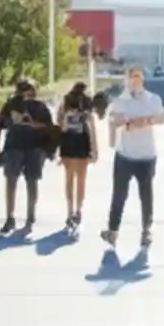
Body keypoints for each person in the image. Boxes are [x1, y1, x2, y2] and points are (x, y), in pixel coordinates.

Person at [103, 67, 164, 248]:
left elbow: (161, 117)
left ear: (143, 79)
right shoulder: (121, 100)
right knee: (119, 194)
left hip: (146, 155)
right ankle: (113, 231)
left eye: (138, 76)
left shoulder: (153, 99)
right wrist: (129, 121)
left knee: (146, 194)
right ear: (127, 80)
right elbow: (114, 121)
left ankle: (147, 230)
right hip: (125, 154)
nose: (135, 80)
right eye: (131, 77)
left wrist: (146, 121)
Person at [0, 80, 56, 235]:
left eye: (29, 90)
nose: (26, 94)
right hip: (15, 146)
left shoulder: (39, 106)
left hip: (34, 147)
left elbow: (50, 128)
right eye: (24, 90)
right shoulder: (11, 105)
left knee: (30, 181)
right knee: (14, 181)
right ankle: (11, 217)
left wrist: (49, 149)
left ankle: (29, 217)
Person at [59, 82, 99, 231]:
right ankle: (71, 211)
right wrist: (67, 116)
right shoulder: (65, 107)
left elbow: (92, 127)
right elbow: (62, 128)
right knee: (73, 178)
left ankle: (77, 210)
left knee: (78, 178)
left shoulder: (86, 110)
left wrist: (94, 149)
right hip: (70, 143)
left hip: (80, 143)